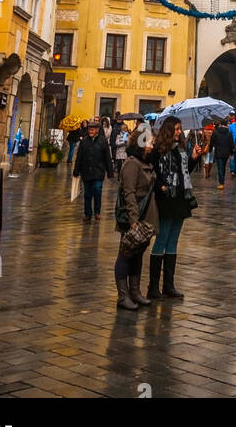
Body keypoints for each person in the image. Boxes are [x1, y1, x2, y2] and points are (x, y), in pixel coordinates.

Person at [147, 118, 201, 299]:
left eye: (180, 129)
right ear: (169, 130)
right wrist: (161, 186)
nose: (179, 132)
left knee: (173, 242)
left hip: (180, 199)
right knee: (161, 240)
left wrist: (193, 157)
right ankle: (153, 287)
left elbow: (184, 173)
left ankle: (169, 285)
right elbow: (151, 174)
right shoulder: (158, 150)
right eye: (177, 129)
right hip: (165, 200)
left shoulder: (181, 150)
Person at [114, 130, 158, 310]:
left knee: (138, 254)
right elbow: (129, 192)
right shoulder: (132, 164)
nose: (152, 146)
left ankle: (135, 291)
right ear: (141, 144)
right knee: (125, 254)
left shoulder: (144, 162)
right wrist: (133, 220)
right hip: (133, 216)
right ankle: (123, 296)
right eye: (150, 143)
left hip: (145, 215)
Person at [73, 117, 113, 221]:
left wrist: (110, 172)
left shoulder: (103, 141)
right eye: (89, 129)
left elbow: (107, 158)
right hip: (86, 171)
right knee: (87, 194)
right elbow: (79, 157)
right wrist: (76, 171)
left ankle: (97, 212)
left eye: (92, 129)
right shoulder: (84, 141)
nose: (90, 131)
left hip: (98, 171)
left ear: (97, 130)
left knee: (97, 190)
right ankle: (87, 213)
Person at [211, 119, 234, 189]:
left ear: (220, 124)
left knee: (220, 168)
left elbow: (212, 141)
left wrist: (210, 149)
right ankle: (222, 181)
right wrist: (231, 152)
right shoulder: (229, 133)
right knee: (223, 167)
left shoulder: (215, 132)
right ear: (226, 125)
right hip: (226, 153)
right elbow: (231, 144)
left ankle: (221, 183)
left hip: (218, 152)